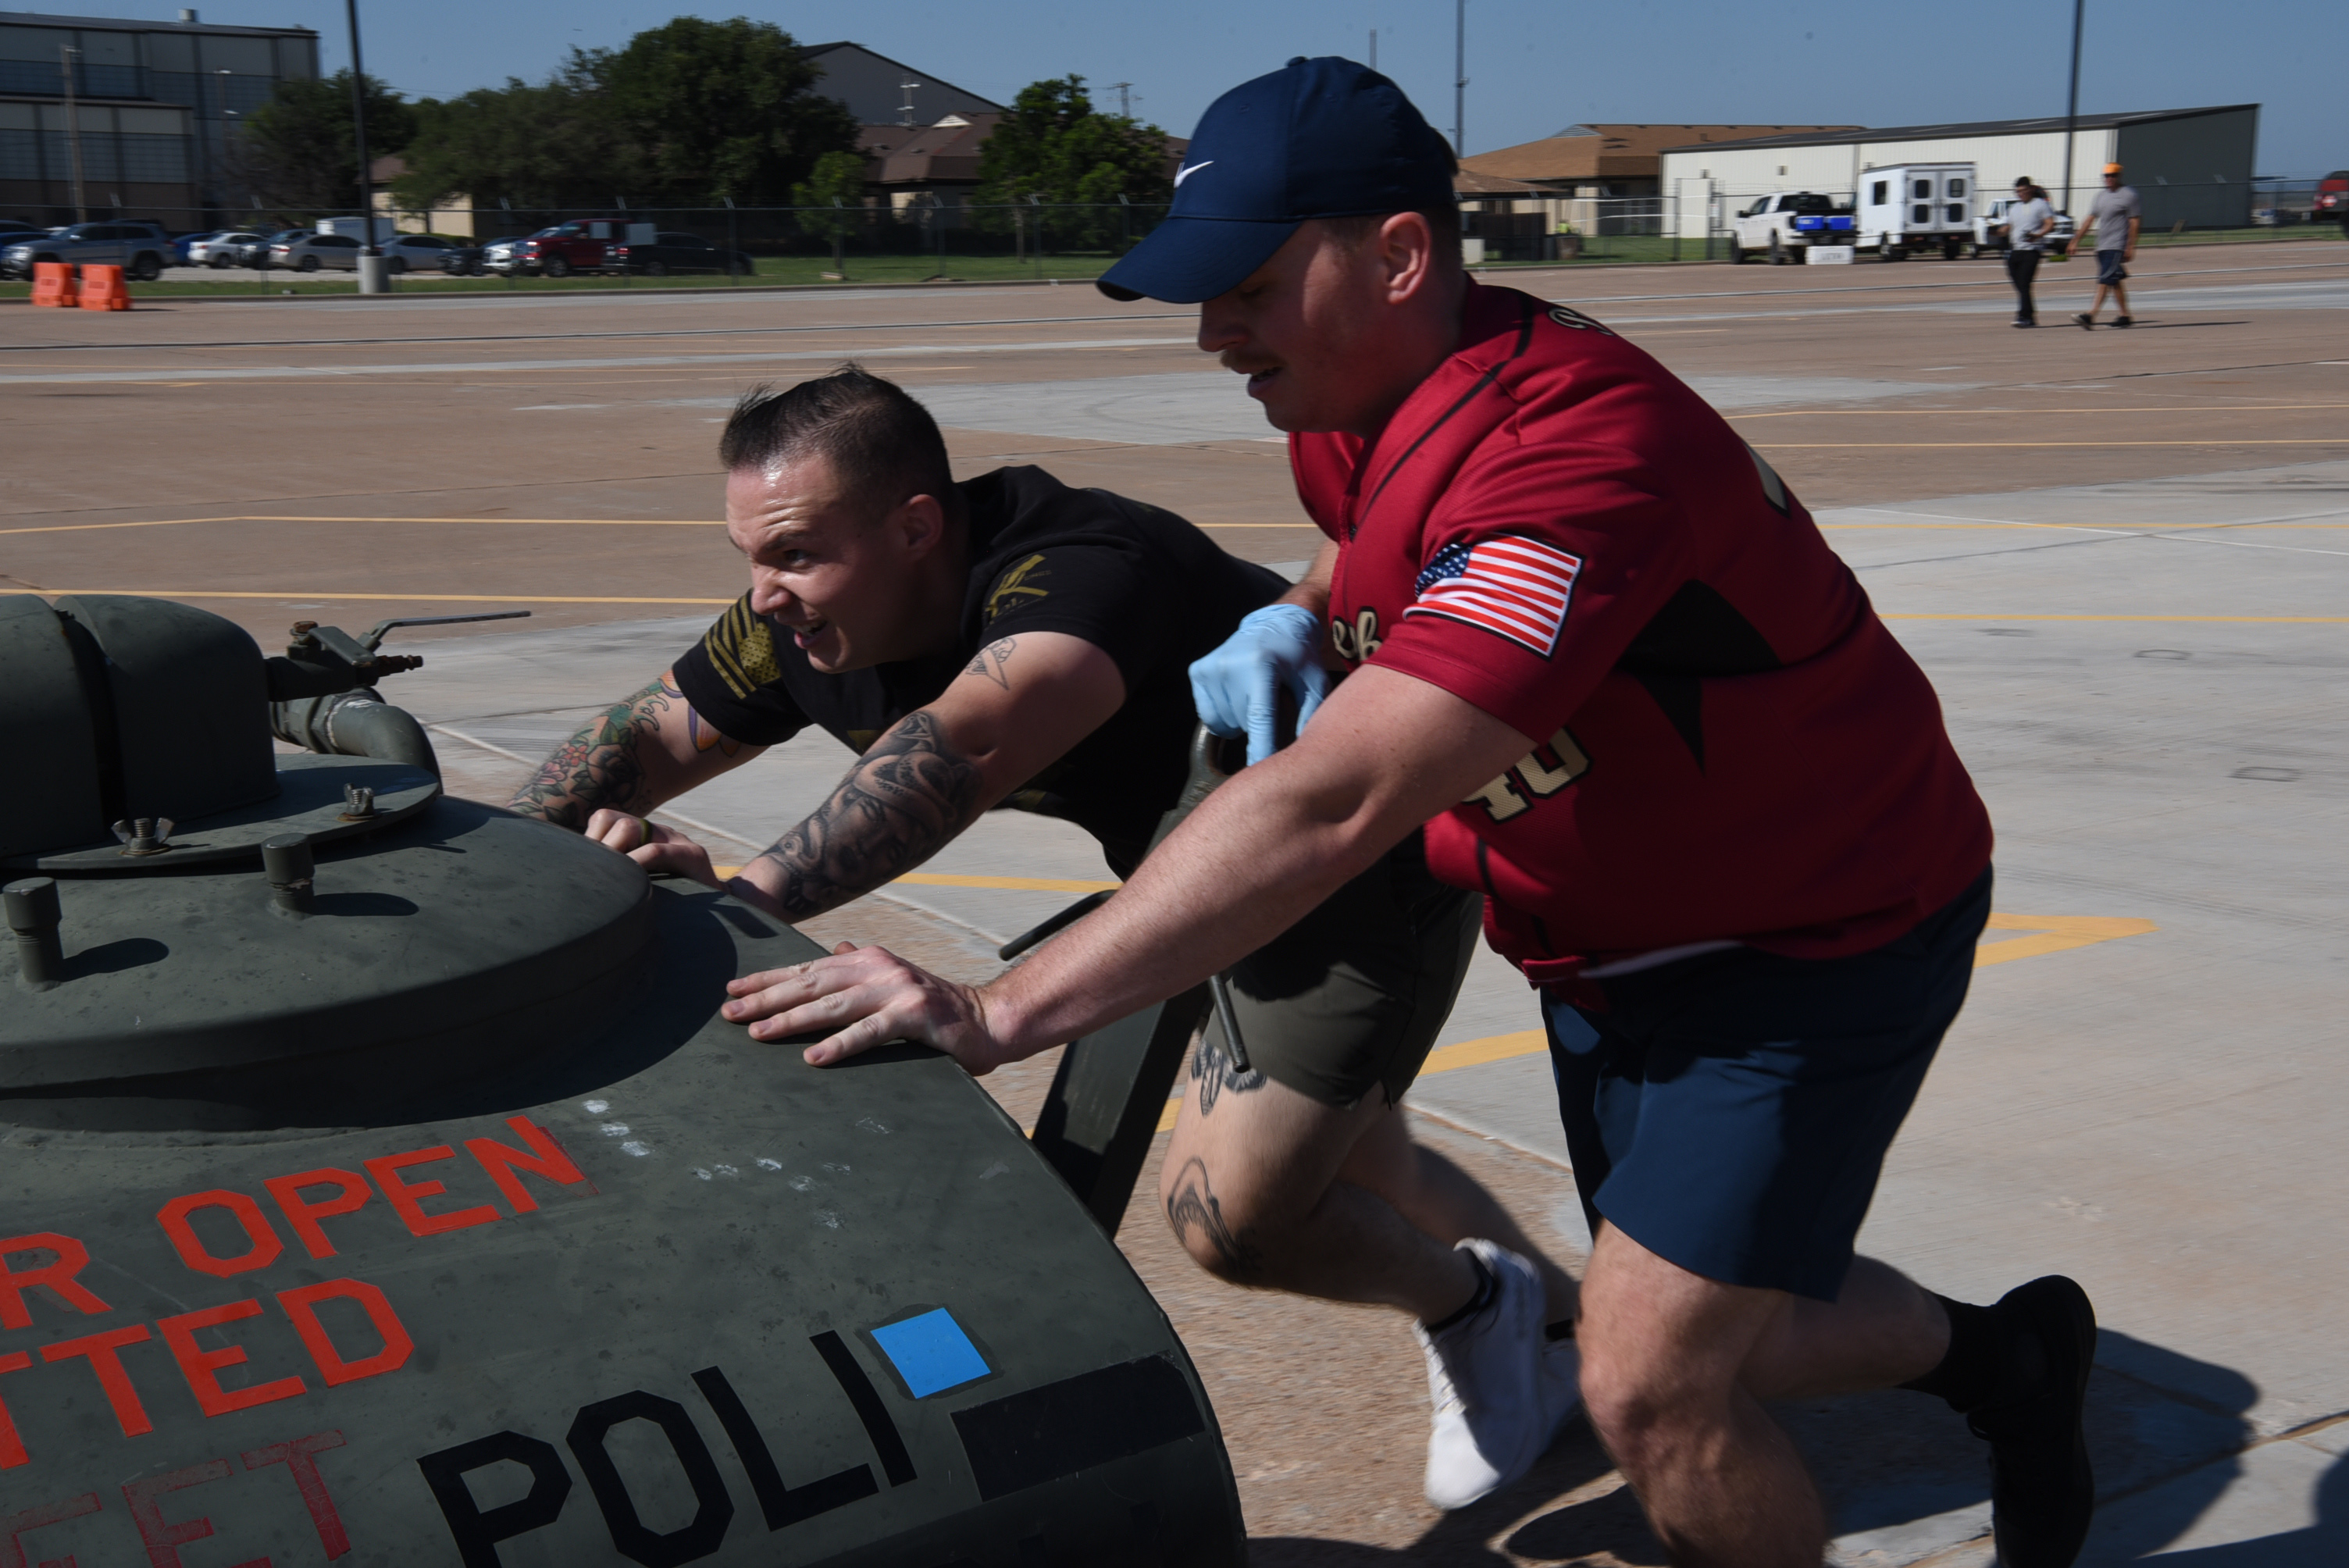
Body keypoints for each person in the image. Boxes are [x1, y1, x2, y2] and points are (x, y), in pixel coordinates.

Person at [723, 59, 2099, 1568]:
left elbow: (1338, 797)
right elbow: (1374, 545)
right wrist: (1307, 612)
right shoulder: (1352, 405)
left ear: (1394, 255)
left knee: (1646, 1380)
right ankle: (2010, 1363)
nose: (1211, 334)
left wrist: (996, 1010)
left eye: (1246, 283)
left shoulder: (1577, 456)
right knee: (1737, 1330)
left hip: (1805, 936)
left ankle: (1974, 1377)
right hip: (1602, 941)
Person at [506, 364, 1584, 1509]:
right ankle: (1564, 1321)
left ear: (917, 526)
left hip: (1337, 870)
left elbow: (963, 749)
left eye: (794, 555)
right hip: (1195, 867)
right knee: (1363, 1151)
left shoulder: (1074, 572)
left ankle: (1481, 1308)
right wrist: (498, 861)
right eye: (752, 561)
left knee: (1241, 1220)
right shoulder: (808, 619)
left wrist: (733, 908)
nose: (766, 594)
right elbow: (641, 740)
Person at [2073, 163, 2141, 328]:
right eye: (2106, 176)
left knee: (2104, 279)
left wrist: (2130, 246)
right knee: (2113, 281)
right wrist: (2075, 240)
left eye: (2113, 176)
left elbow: (2135, 222)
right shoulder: (2100, 196)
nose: (2109, 179)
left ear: (2119, 176)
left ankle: (2091, 315)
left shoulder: (2129, 195)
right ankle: (2125, 316)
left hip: (2116, 245)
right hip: (2102, 246)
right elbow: (2090, 219)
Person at [1998, 177, 2057, 327]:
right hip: (2015, 250)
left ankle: (2024, 316)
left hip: (2032, 250)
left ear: (2031, 189)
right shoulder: (2014, 208)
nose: (2021, 194)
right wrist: (1997, 231)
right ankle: (2029, 314)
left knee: (2024, 282)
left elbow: (2050, 224)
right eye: (2018, 192)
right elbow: (2008, 227)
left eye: (2024, 191)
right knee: (2020, 284)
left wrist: (2038, 236)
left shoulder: (2040, 205)